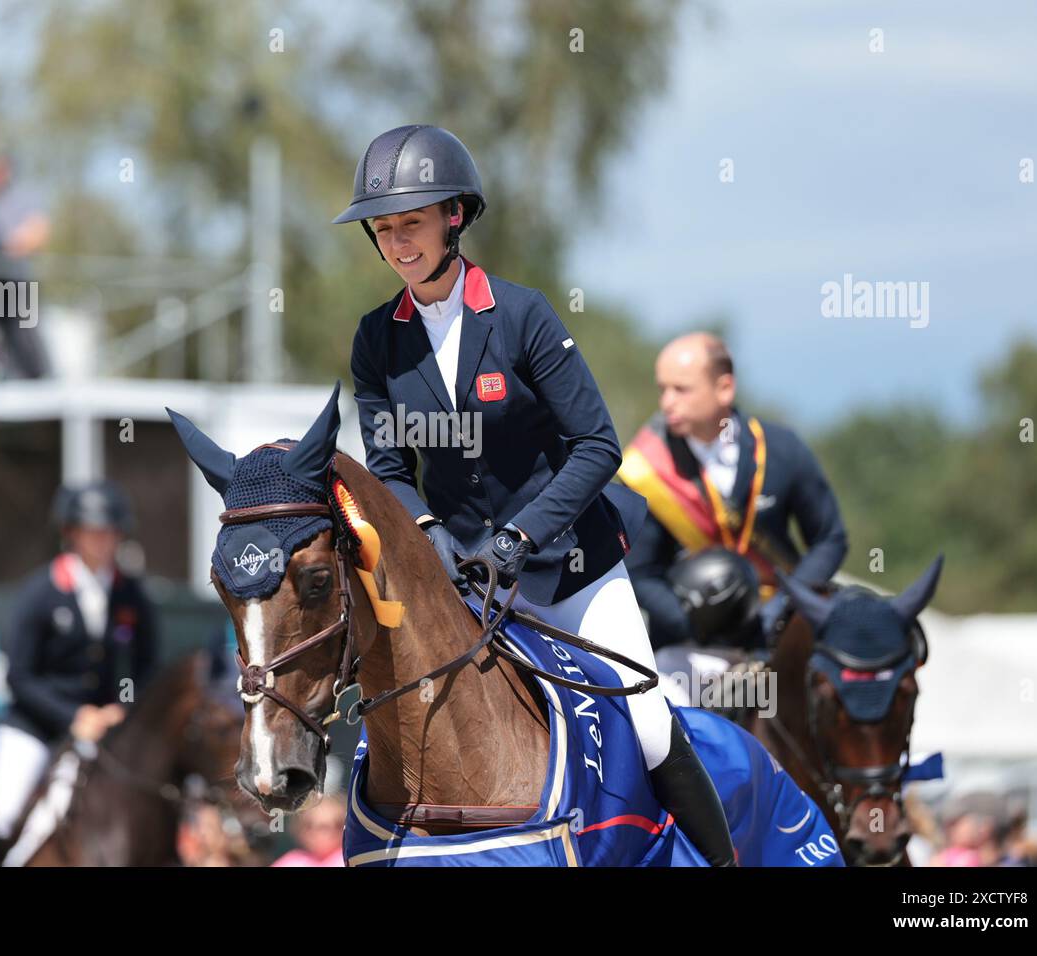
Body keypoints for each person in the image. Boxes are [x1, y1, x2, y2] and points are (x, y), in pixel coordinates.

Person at [338, 125, 736, 866]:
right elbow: (388, 465)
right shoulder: (376, 341)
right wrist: (428, 532)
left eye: (413, 224)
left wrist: (520, 537)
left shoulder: (522, 315)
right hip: (460, 577)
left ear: (455, 216)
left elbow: (598, 446)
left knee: (647, 722)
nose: (398, 243)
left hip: (569, 566)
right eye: (385, 229)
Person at [618, 333, 848, 650]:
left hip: (779, 633)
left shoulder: (782, 448)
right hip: (686, 645)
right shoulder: (645, 469)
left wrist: (785, 606)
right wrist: (700, 629)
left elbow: (830, 539)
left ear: (724, 388)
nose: (667, 402)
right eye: (663, 389)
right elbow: (640, 573)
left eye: (681, 389)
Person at [0, 480, 160, 866]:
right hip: (37, 727)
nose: (103, 542)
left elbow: (147, 669)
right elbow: (19, 677)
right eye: (94, 533)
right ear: (71, 533)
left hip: (105, 729)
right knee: (4, 811)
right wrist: (73, 717)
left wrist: (122, 710)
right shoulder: (39, 593)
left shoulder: (132, 595)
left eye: (110, 533)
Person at [270, 796, 346, 867]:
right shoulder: (292, 861)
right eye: (309, 826)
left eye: (323, 827)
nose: (315, 833)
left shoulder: (349, 860)